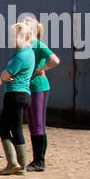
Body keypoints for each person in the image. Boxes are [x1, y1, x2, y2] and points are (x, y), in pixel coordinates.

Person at [0, 16, 39, 175]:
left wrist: (4, 75)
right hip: (23, 94)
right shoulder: (26, 52)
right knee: (16, 128)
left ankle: (13, 163)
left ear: (25, 37)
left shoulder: (21, 55)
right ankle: (20, 166)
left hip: (15, 94)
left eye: (16, 35)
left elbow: (6, 75)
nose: (13, 38)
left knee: (4, 129)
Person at [26, 29, 61, 171]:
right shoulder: (26, 46)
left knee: (38, 124)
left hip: (39, 86)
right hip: (29, 87)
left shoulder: (38, 45)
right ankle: (37, 160)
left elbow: (55, 60)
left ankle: (39, 161)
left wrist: (42, 68)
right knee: (33, 124)